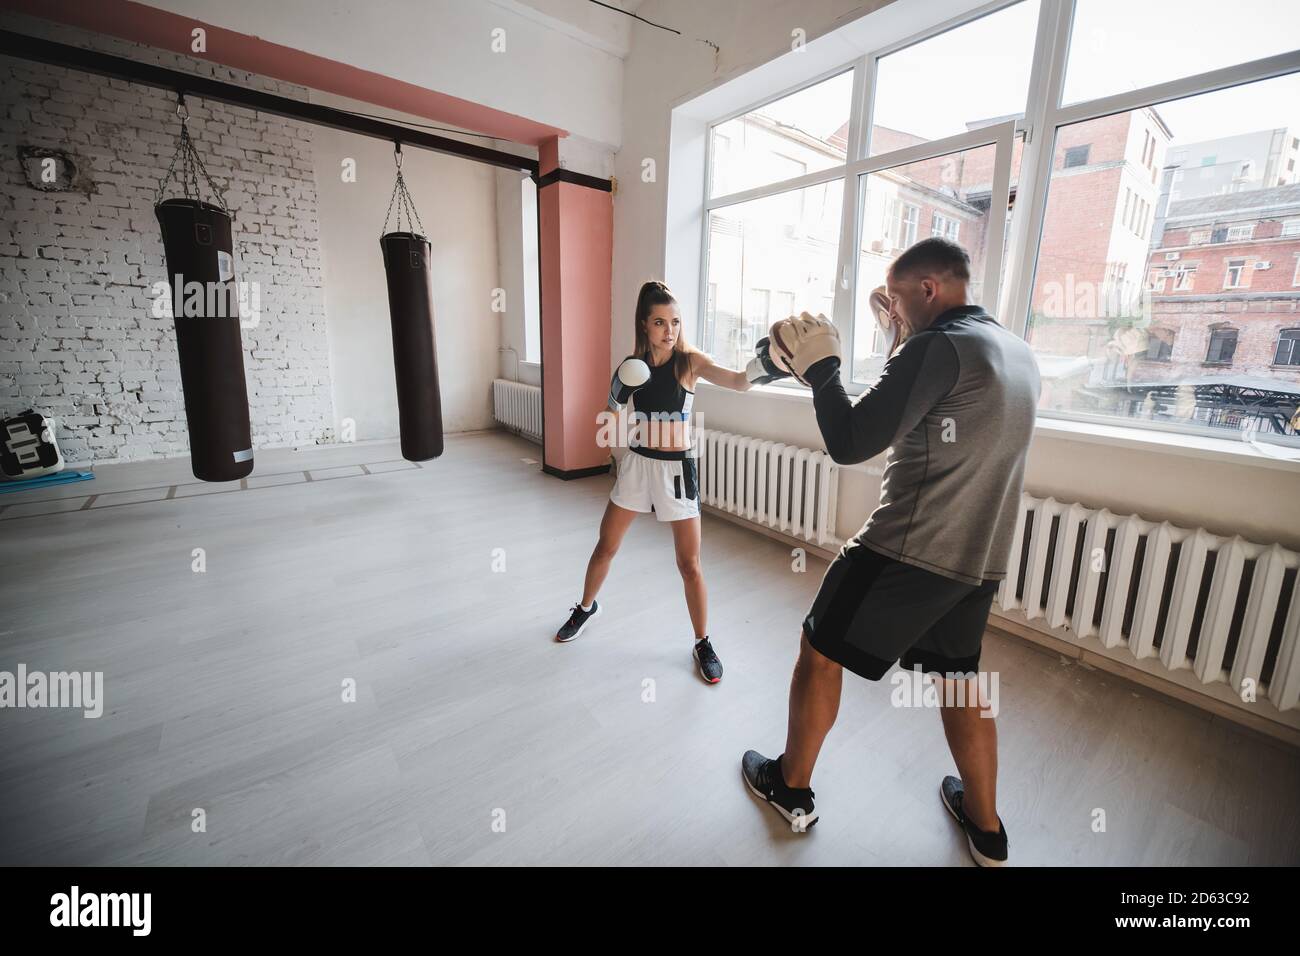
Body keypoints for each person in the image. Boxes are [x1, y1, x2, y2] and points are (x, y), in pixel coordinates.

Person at [740, 237, 1041, 866]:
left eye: (900, 300)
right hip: (977, 562)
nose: (895, 313)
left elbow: (851, 442)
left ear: (928, 289)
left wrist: (822, 369)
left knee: (819, 650)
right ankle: (987, 830)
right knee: (961, 682)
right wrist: (901, 339)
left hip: (904, 548)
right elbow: (934, 414)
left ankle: (790, 787)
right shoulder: (1015, 351)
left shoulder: (938, 347)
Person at [554, 280, 789, 684]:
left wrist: (766, 368)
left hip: (678, 470)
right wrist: (610, 407)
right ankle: (586, 606)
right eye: (660, 322)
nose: (670, 330)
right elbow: (609, 418)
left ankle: (702, 642)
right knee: (606, 545)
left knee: (689, 564)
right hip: (639, 464)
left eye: (676, 322)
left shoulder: (690, 362)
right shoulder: (631, 367)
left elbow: (735, 381)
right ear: (644, 325)